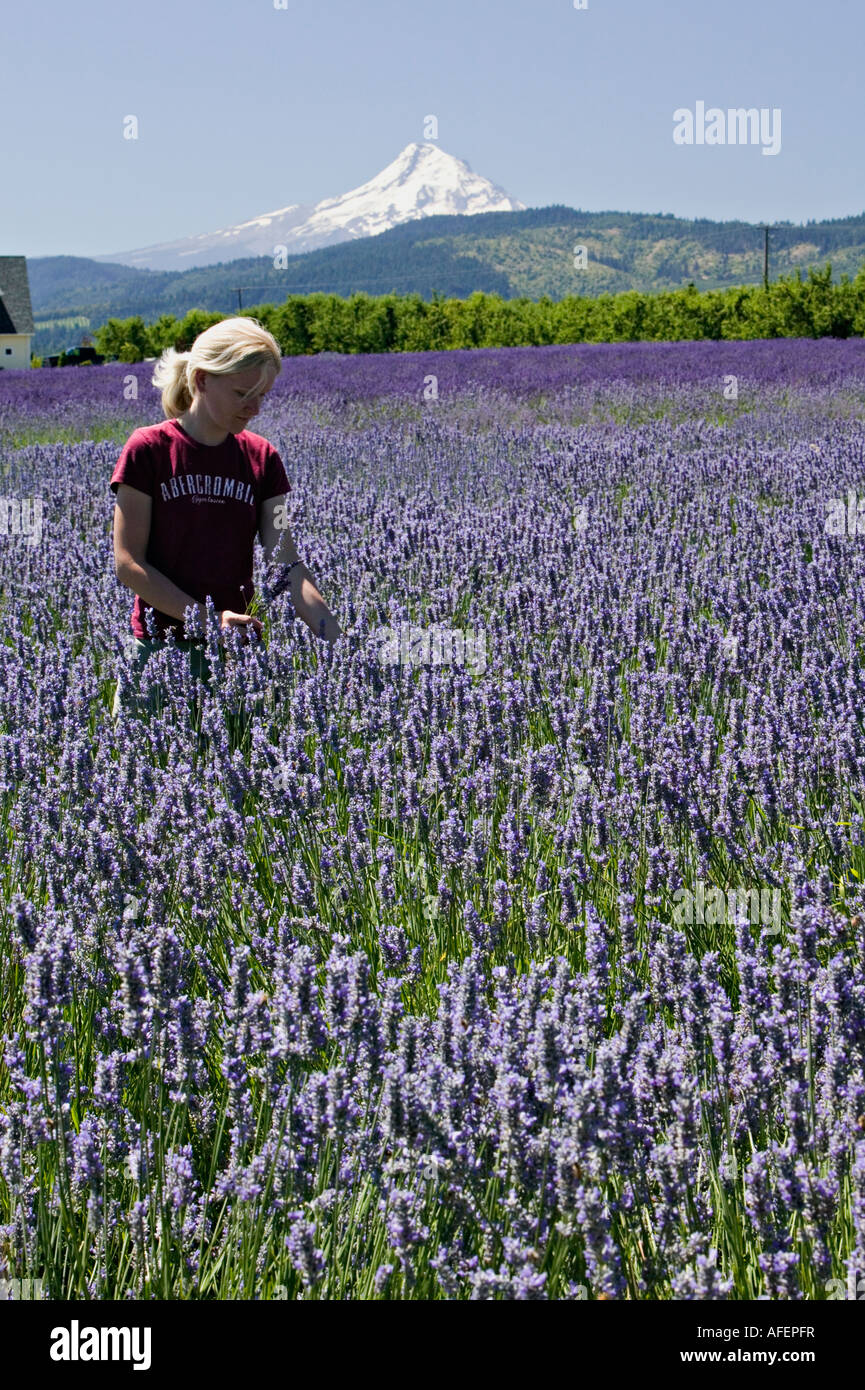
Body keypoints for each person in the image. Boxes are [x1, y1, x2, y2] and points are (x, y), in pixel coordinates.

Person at [109, 316, 341, 719]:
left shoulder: (263, 458)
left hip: (234, 660)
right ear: (201, 380)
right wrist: (209, 620)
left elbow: (285, 561)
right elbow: (128, 565)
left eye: (262, 396)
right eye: (242, 394)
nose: (254, 408)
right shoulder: (147, 450)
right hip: (160, 656)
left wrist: (338, 641)